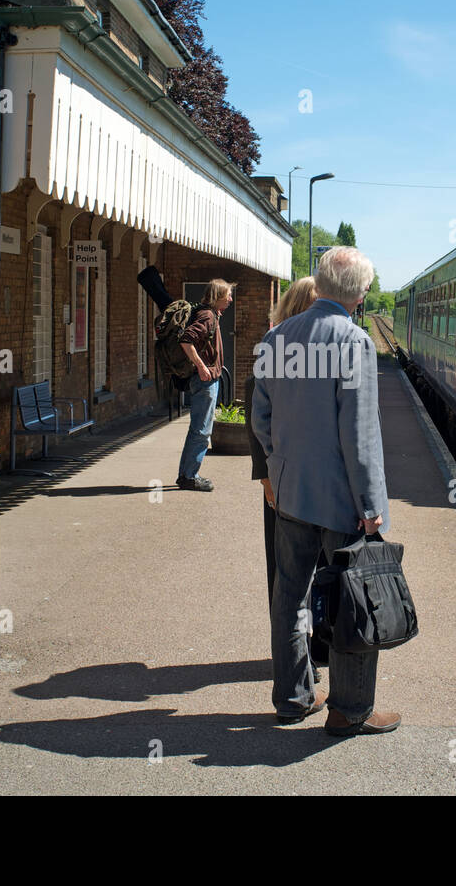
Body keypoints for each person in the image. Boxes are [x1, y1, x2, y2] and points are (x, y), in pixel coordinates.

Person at [252, 248, 399, 736]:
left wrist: (281, 467)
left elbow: (261, 419)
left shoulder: (275, 339)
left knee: (289, 597)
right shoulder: (353, 342)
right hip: (342, 502)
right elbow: (360, 434)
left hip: (292, 495)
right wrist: (373, 505)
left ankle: (293, 699)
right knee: (353, 600)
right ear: (359, 295)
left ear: (318, 282)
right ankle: (350, 710)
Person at [244, 278, 329, 680]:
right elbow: (256, 420)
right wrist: (266, 481)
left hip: (298, 481)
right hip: (282, 484)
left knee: (308, 574)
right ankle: (297, 660)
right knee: (288, 576)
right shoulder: (275, 351)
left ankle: (313, 651)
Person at [176, 279, 233, 491]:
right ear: (217, 296)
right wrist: (202, 367)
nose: (230, 299)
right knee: (202, 430)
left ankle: (186, 474)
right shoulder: (207, 315)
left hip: (207, 379)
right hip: (205, 381)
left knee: (198, 429)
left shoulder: (210, 315)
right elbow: (186, 340)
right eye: (227, 295)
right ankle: (190, 476)